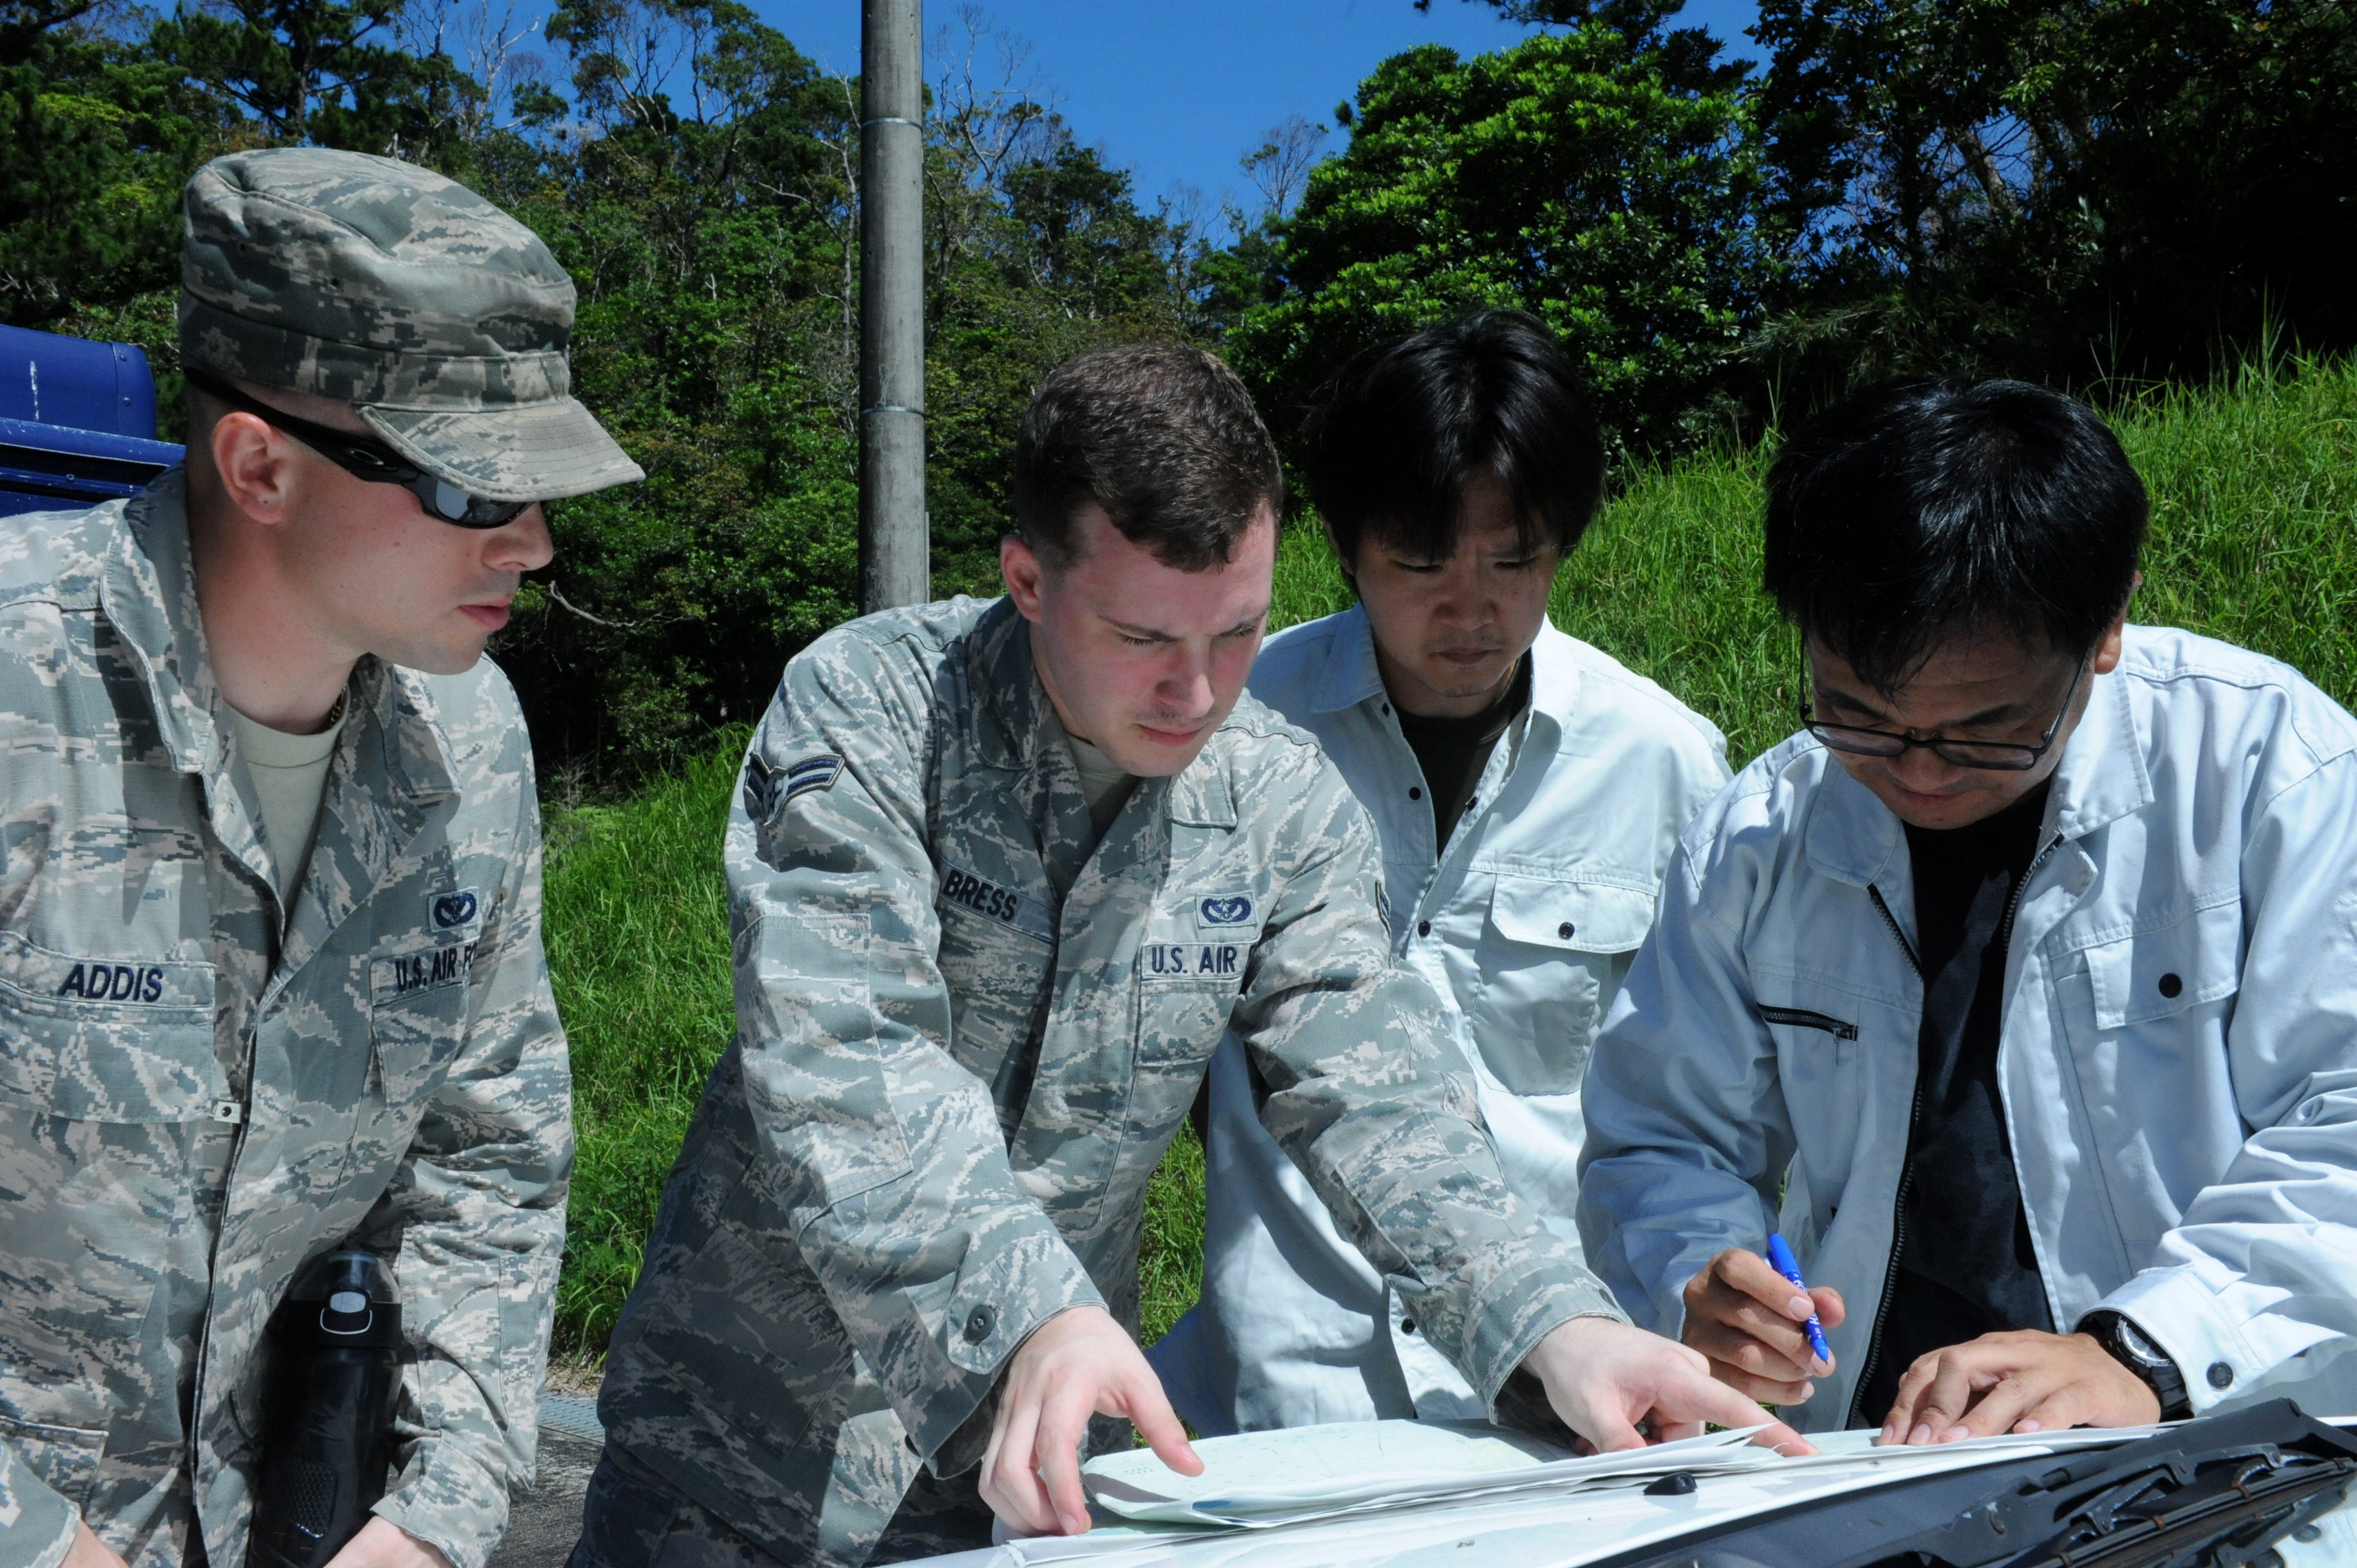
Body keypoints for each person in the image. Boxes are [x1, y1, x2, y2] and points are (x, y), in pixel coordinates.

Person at [575, 342, 1801, 1568]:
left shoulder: (1278, 796)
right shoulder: (877, 710)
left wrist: (1553, 1326)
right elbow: (852, 1056)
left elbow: (1377, 1096)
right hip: (740, 1460)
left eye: (1239, 632)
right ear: (1027, 579)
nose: (1198, 691)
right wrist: (1035, 1320)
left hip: (1043, 1486)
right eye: (1142, 636)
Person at [0, 149, 640, 1568]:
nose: (533, 544)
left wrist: (433, 1517)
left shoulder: (467, 740)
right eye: (473, 490)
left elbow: (487, 1160)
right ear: (261, 467)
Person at [1577, 378, 2357, 1446]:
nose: (1920, 772)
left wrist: (2144, 1349)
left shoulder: (2273, 775)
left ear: (2107, 627)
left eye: (1987, 730)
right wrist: (1700, 1278)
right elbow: (1664, 1134)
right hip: (1876, 1448)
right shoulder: (1761, 833)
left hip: (2219, 1436)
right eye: (1856, 714)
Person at [1148, 313, 1731, 1435]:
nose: (1472, 609)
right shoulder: (1229, 729)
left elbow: (1696, 1095)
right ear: (1341, 543)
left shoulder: (1662, 762)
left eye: (1515, 561)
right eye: (1420, 564)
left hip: (1573, 1387)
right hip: (1292, 1392)